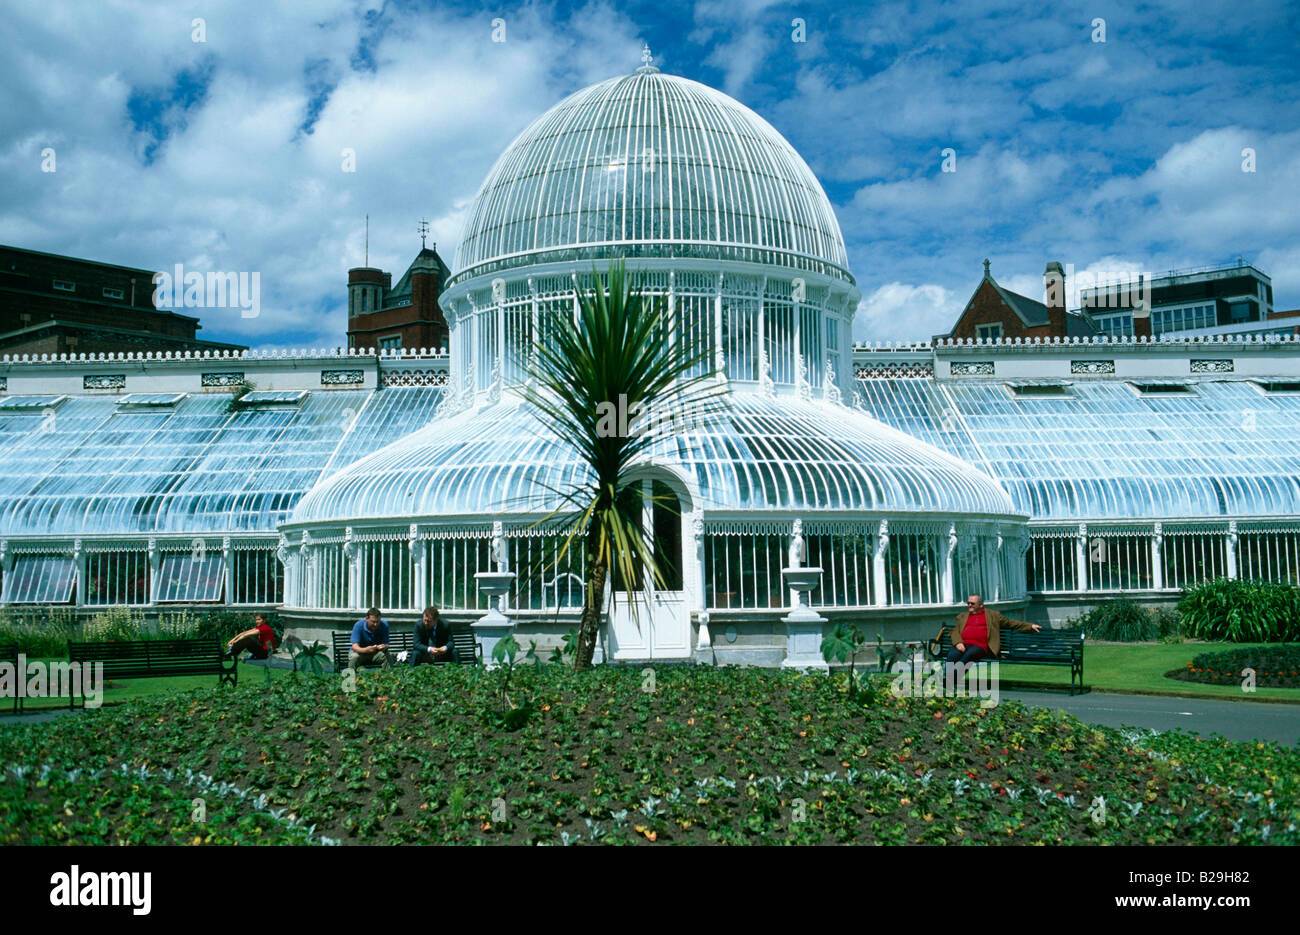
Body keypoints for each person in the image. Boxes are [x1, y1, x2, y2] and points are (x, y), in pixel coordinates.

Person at [945, 594, 1041, 689]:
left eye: (972, 603)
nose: (969, 605)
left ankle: (949, 681)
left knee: (969, 655)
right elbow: (955, 632)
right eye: (968, 603)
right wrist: (958, 643)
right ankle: (949, 680)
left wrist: (1030, 626)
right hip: (963, 644)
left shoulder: (993, 615)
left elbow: (1010, 623)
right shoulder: (963, 617)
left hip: (980, 646)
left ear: (981, 605)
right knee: (952, 655)